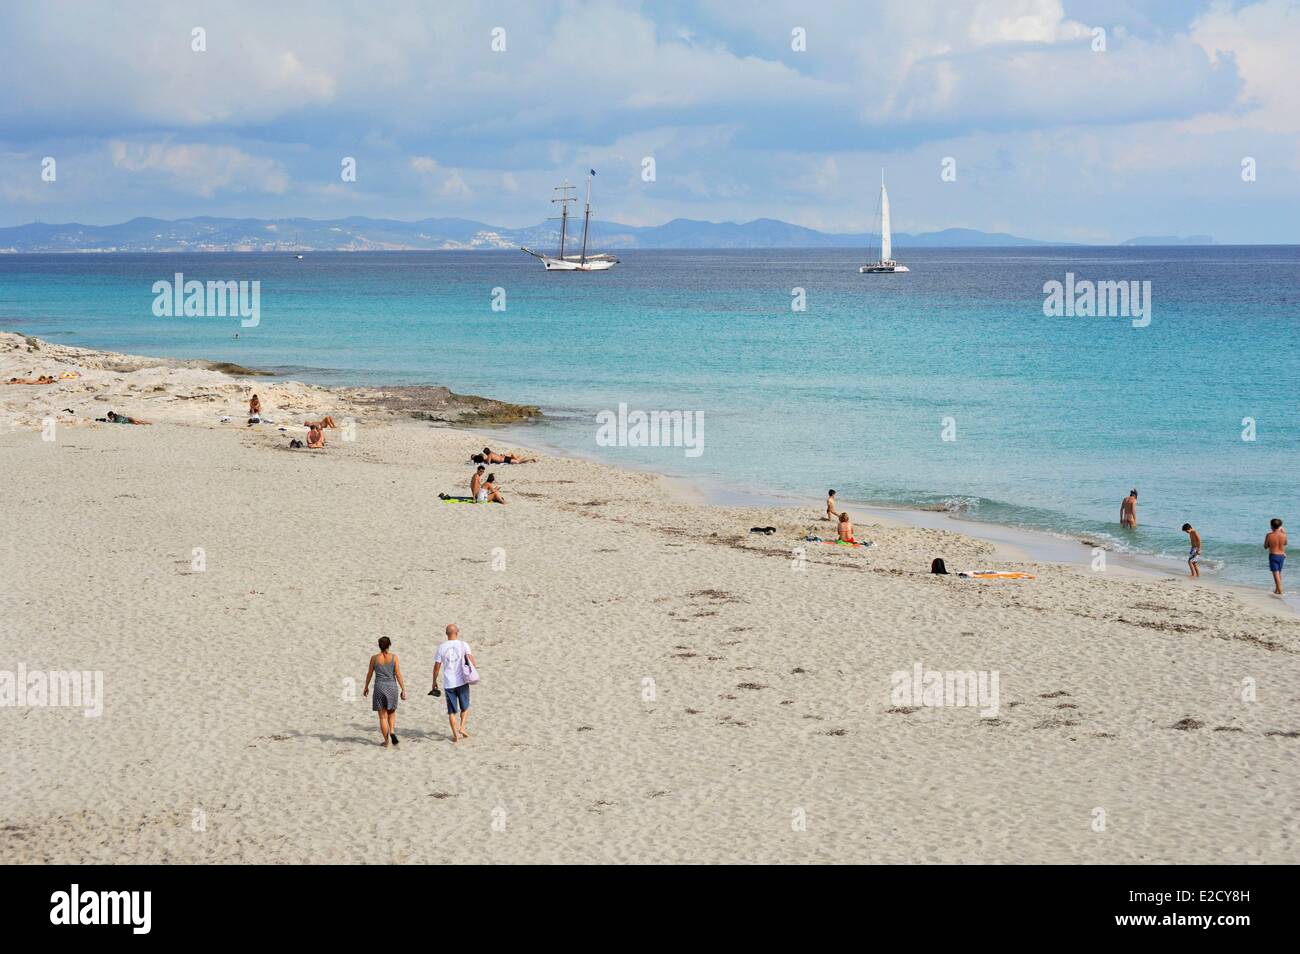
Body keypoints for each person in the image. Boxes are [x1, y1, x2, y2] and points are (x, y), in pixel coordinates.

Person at [431, 624, 477, 743]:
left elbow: (437, 667)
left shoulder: (441, 647)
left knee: (451, 711)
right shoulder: (464, 644)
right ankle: (462, 727)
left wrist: (434, 682)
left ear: (447, 634)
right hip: (462, 681)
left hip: (449, 683)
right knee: (465, 707)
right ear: (457, 632)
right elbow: (472, 660)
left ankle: (456, 735)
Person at [363, 636, 407, 747]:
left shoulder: (374, 658)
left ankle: (386, 741)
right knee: (391, 712)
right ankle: (392, 731)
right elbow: (398, 674)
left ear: (379, 646)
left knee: (382, 716)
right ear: (389, 645)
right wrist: (403, 689)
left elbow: (369, 674)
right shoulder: (394, 658)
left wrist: (366, 687)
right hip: (392, 687)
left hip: (379, 687)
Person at [1266, 518, 1287, 595]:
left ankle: (1280, 591)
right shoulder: (1284, 535)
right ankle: (1277, 590)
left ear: (1271, 526)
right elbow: (1285, 543)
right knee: (1279, 573)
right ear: (1280, 526)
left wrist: (1270, 544)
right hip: (1281, 556)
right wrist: (1284, 533)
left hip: (1273, 555)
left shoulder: (1269, 535)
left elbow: (1265, 546)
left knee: (1276, 574)